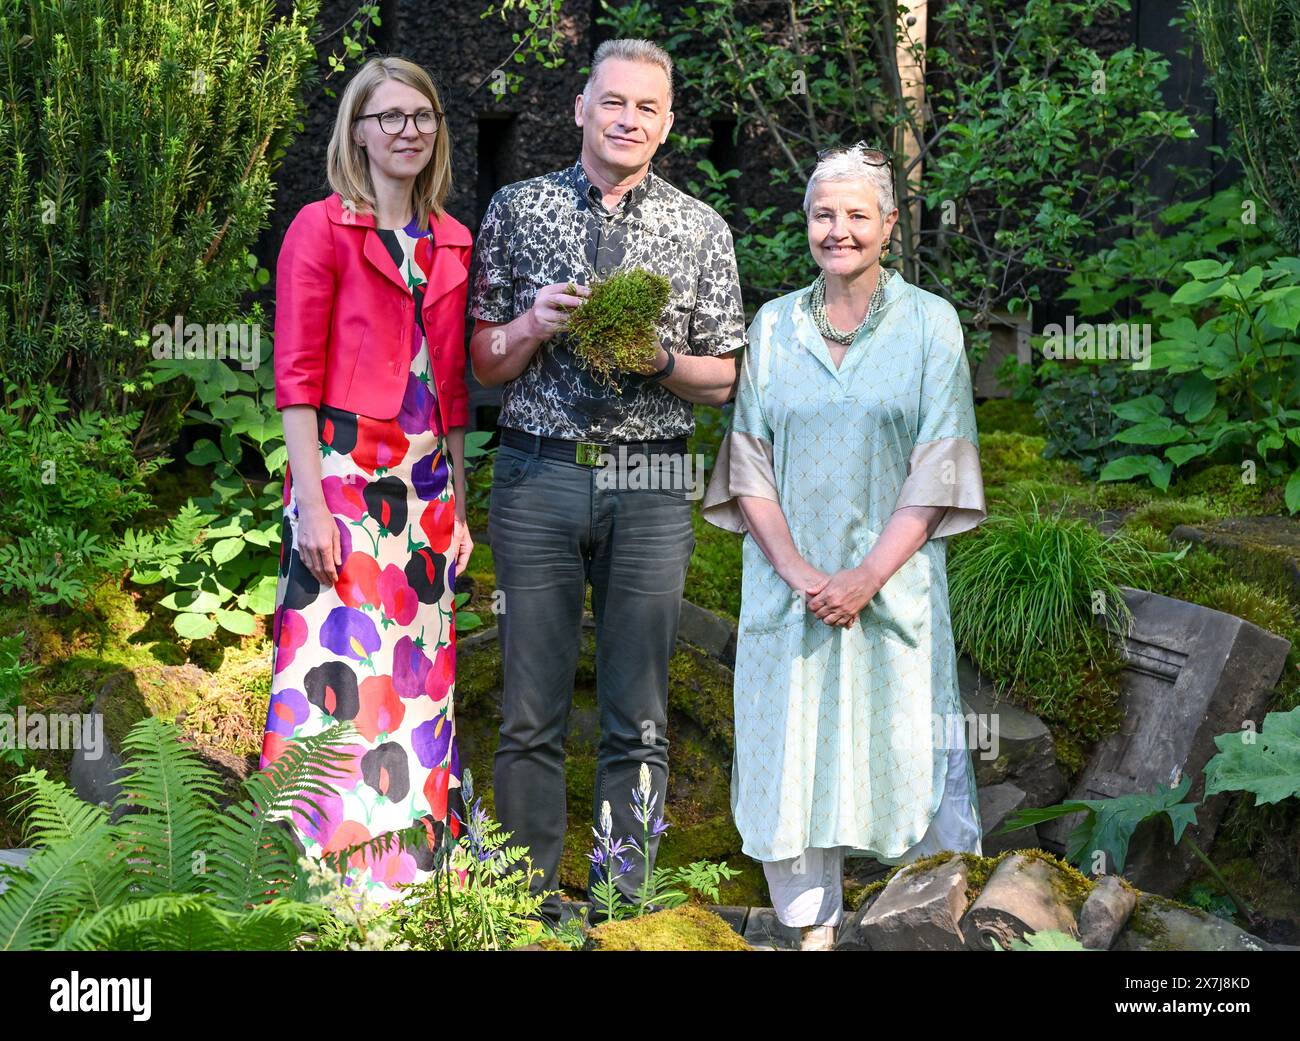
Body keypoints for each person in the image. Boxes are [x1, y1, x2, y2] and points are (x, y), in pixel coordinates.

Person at [468, 38, 745, 925]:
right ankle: (525, 906)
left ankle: (625, 911)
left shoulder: (700, 228)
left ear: (666, 125)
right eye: (614, 102)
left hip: (653, 481)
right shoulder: (517, 209)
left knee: (640, 713)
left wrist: (660, 357)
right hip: (538, 474)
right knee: (530, 710)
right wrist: (531, 326)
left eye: (647, 108)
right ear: (581, 108)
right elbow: (482, 363)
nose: (629, 119)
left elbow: (728, 376)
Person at [702, 142, 988, 950]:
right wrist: (799, 573)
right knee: (790, 753)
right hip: (788, 589)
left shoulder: (932, 325)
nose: (840, 230)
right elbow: (749, 463)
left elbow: (940, 465)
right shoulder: (773, 326)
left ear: (889, 225)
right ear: (805, 223)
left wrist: (864, 575)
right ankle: (810, 932)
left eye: (858, 214)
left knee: (910, 746)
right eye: (825, 214)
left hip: (891, 588)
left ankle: (936, 923)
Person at [259, 56, 474, 907]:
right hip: (342, 478)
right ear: (356, 131)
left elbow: (454, 390)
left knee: (419, 676)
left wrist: (460, 506)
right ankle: (310, 881)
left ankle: (402, 883)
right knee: (334, 668)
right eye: (389, 117)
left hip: (424, 489)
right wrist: (309, 500)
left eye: (421, 115)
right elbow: (295, 378)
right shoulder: (320, 228)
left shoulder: (451, 238)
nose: (408, 130)